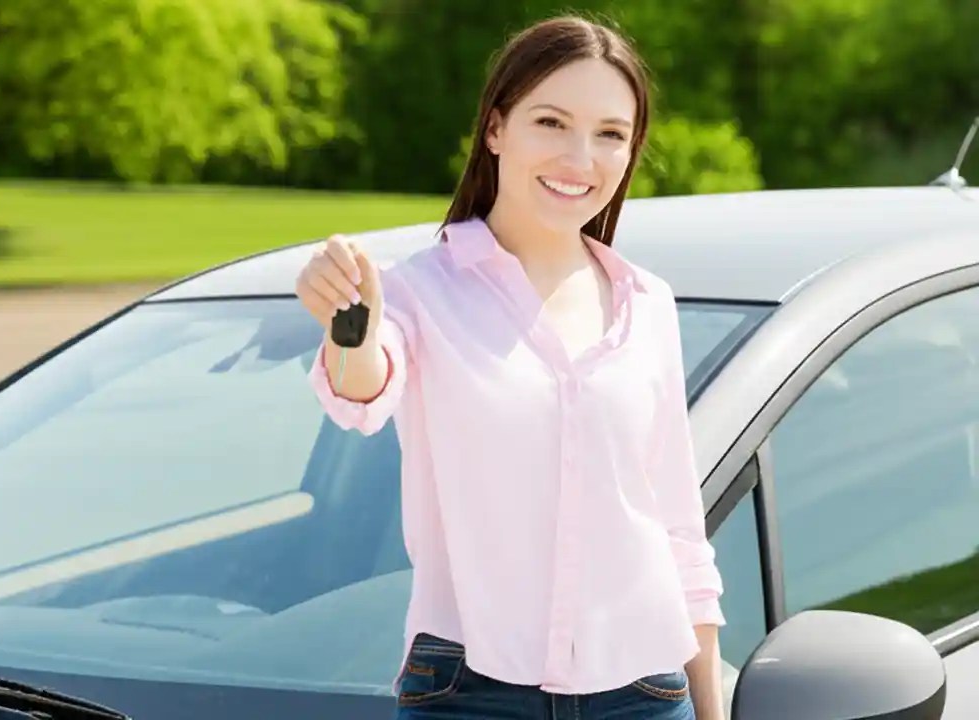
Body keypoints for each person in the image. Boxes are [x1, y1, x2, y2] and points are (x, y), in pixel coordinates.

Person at [294, 14, 727, 720]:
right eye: (551, 123)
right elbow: (362, 390)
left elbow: (678, 528)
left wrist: (710, 712)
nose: (580, 158)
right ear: (495, 129)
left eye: (610, 135)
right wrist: (349, 324)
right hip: (468, 692)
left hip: (645, 692)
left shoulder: (649, 305)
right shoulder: (420, 292)